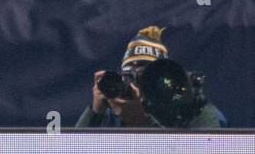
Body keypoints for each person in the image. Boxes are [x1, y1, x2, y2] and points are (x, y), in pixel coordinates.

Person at [76, 25, 227, 128]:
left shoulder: (191, 110)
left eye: (146, 76)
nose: (139, 86)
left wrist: (140, 122)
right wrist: (95, 112)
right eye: (130, 77)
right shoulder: (116, 110)